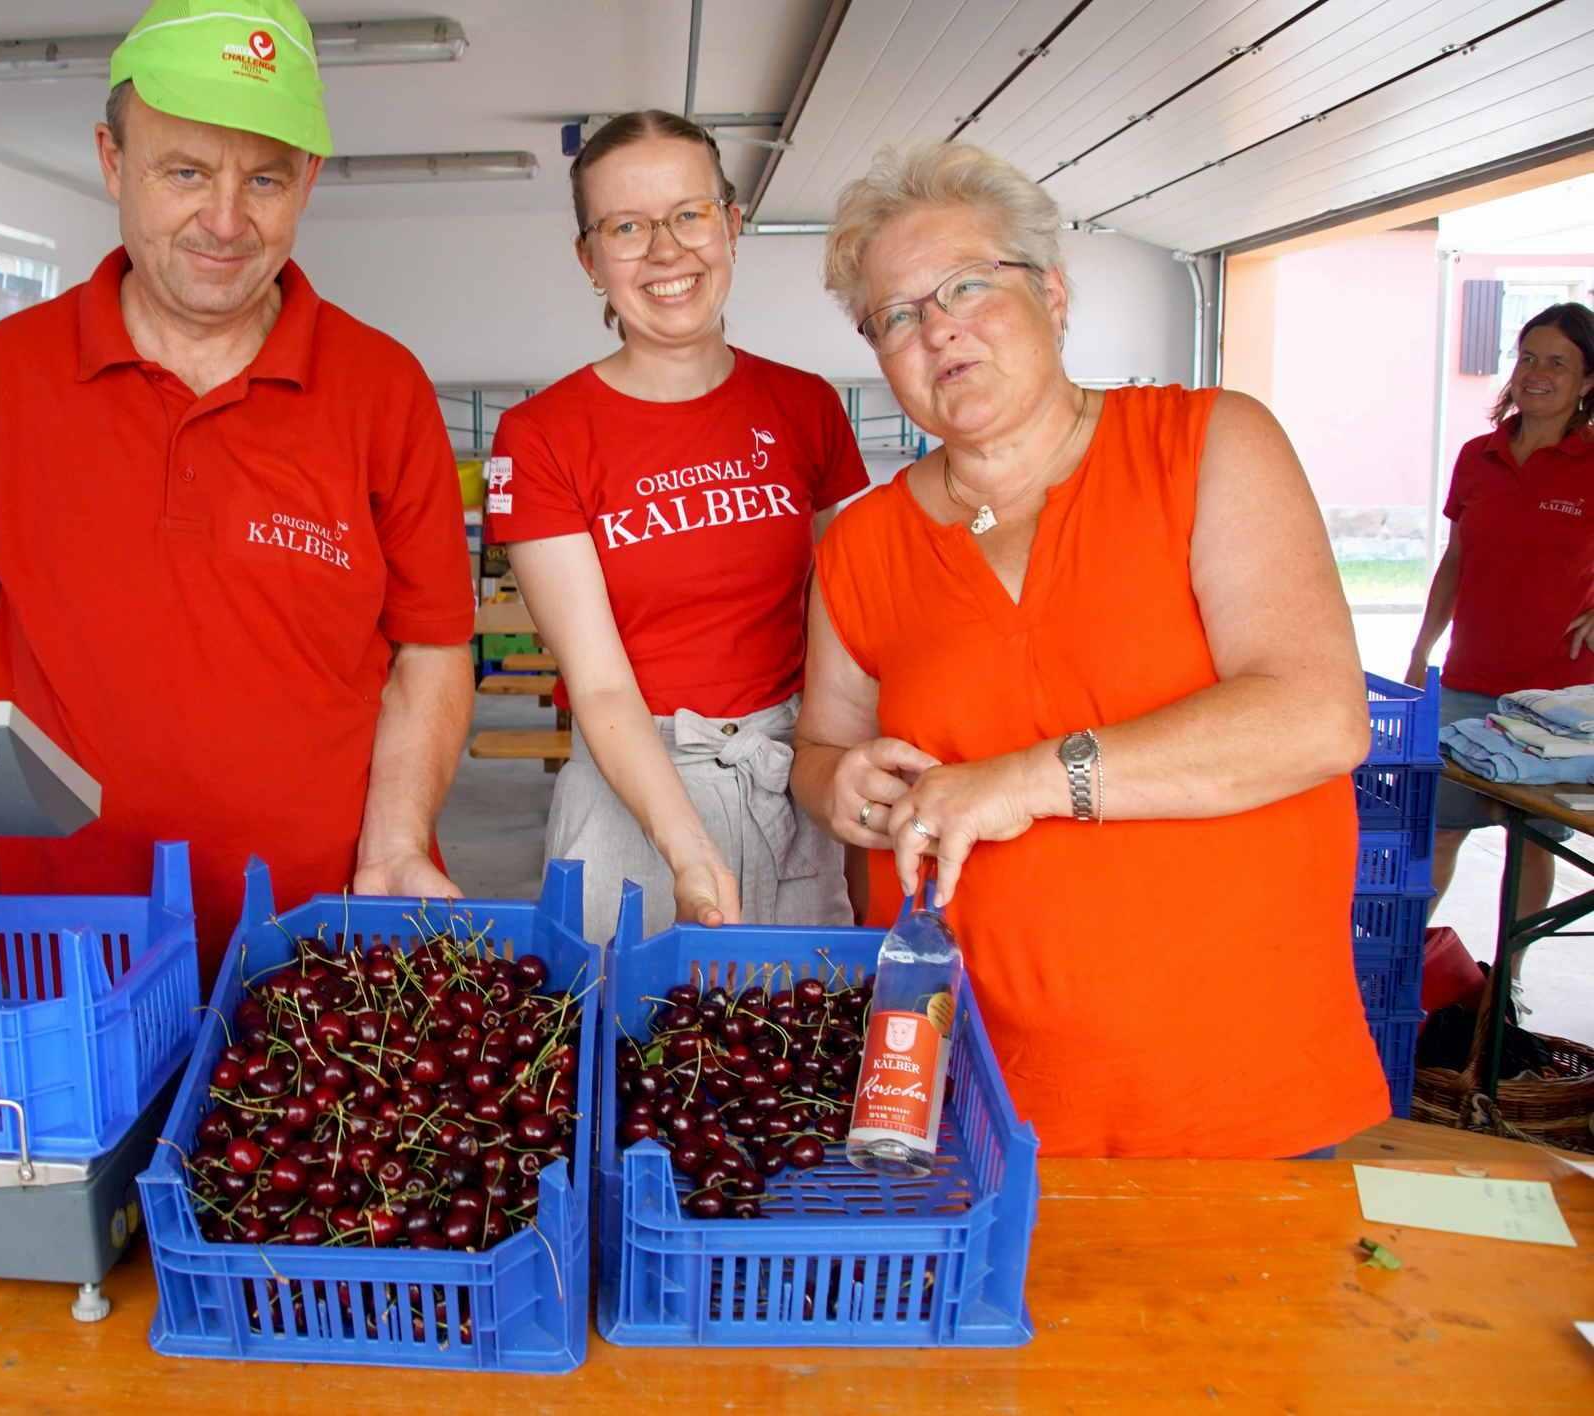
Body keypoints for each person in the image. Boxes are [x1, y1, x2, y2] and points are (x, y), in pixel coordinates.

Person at [790, 140, 1386, 1158]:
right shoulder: (860, 543)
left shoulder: (1205, 446)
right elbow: (818, 750)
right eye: (895, 315)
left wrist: (1024, 780)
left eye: (967, 284)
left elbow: (1313, 716)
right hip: (969, 1101)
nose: (937, 329)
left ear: (1052, 293)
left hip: (1234, 1094)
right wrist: (835, 787)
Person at [0, 0, 475, 969]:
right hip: (62, 957)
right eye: (186, 172)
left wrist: (398, 843)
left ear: (309, 181)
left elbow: (430, 649)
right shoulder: (7, 374)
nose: (226, 221)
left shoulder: (383, 389)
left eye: (267, 179)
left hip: (315, 949)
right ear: (113, 162)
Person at [485, 110, 870, 943]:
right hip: (633, 786)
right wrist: (689, 851)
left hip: (790, 773)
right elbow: (600, 685)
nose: (666, 251)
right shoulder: (542, 436)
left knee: (791, 1046)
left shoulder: (806, 407)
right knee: (628, 1051)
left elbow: (845, 626)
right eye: (627, 226)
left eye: (689, 214)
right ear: (590, 259)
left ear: (731, 225)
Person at [1406, 303, 1594, 925]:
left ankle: (1504, 985)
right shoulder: (1477, 455)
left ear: (1588, 381)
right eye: (1528, 357)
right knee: (1438, 831)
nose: (1536, 373)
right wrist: (1421, 650)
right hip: (1469, 680)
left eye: (1558, 363)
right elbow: (1455, 562)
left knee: (1531, 844)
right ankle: (1407, 967)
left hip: (1558, 700)